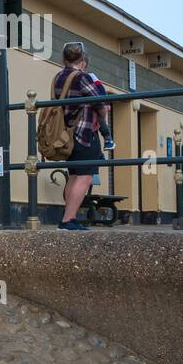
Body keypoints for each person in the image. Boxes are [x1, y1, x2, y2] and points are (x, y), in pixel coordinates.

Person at [53, 42, 110, 231]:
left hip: (65, 135)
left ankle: (67, 217)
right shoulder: (82, 77)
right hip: (84, 133)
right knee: (85, 176)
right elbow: (99, 103)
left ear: (64, 58)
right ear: (83, 61)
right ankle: (69, 219)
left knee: (73, 175)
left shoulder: (58, 77)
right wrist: (105, 110)